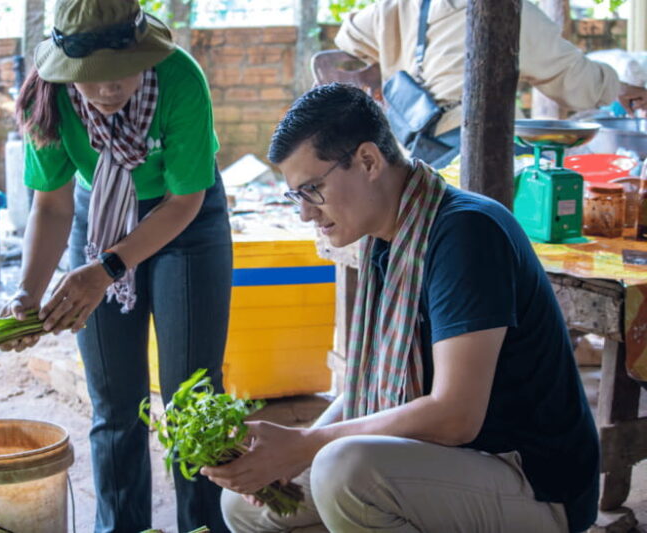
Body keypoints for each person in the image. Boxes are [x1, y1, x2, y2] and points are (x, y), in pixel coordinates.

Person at [202, 83, 599, 533]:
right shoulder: (387, 239)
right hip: (448, 468)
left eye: (312, 189)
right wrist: (291, 449)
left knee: (345, 471)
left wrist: (308, 443)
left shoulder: (466, 234)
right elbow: (365, 390)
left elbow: (455, 416)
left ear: (368, 160)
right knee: (248, 508)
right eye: (297, 195)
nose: (306, 215)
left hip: (531, 482)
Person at [2, 0, 232, 531]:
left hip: (185, 220)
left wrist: (105, 269)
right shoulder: (49, 98)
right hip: (97, 215)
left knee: (191, 396)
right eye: (92, 77)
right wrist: (26, 295)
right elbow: (53, 205)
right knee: (113, 398)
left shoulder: (179, 80)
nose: (108, 88)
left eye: (120, 72)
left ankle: (202, 526)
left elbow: (184, 201)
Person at [333, 0, 647, 167]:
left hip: (408, 156)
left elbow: (347, 36)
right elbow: (580, 85)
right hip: (484, 157)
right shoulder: (508, 12)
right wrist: (622, 87)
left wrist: (389, 63)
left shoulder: (396, 7)